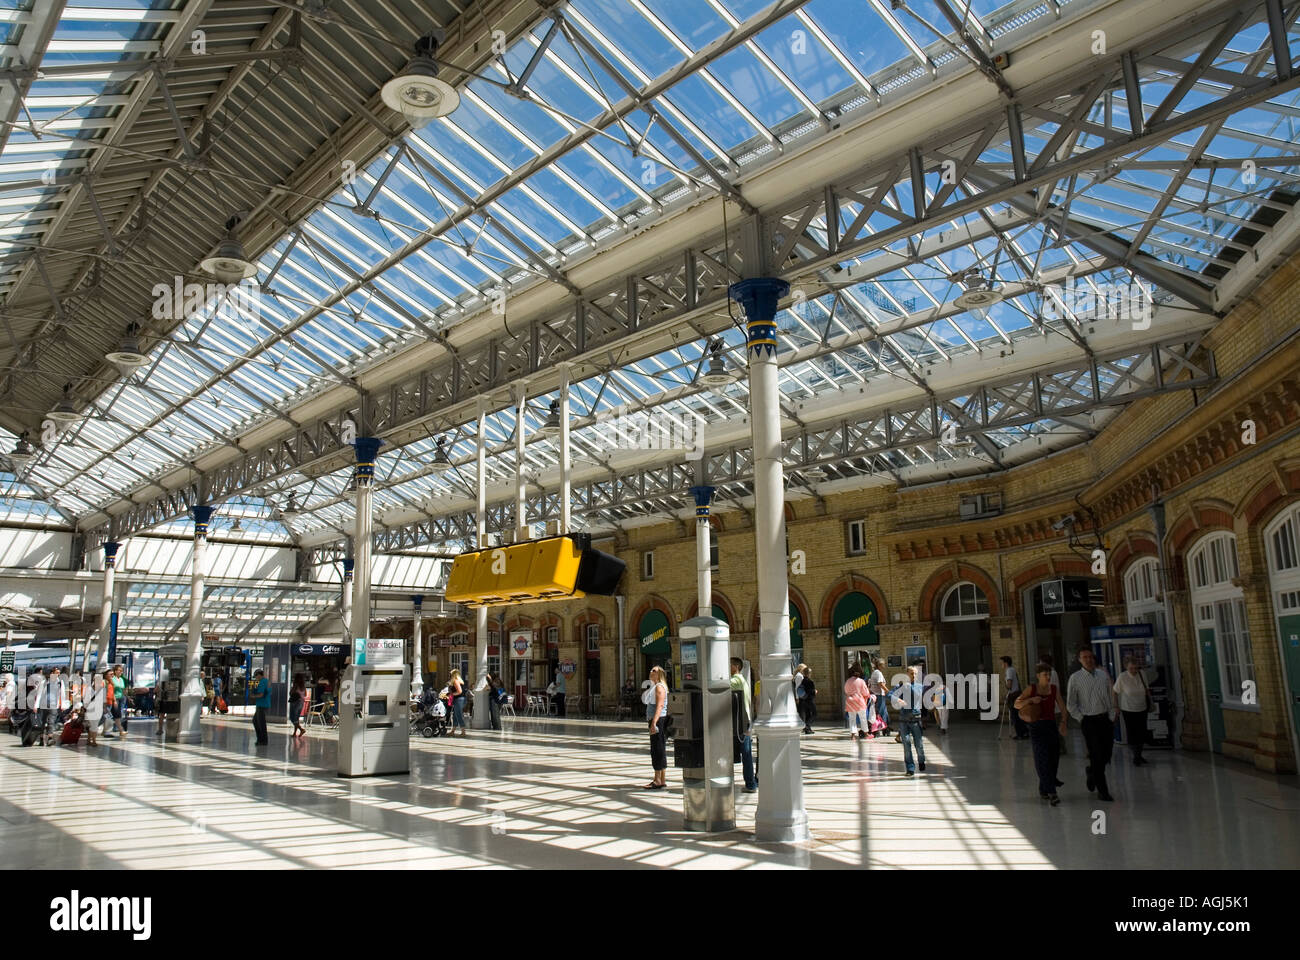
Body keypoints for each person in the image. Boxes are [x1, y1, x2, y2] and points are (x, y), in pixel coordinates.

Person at [1066, 646, 1118, 802]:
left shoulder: (1103, 675)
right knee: (1096, 754)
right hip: (1089, 720)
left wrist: (1112, 713)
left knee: (1107, 753)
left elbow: (1111, 695)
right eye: (1084, 657)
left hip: (1105, 719)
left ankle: (1092, 772)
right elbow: (1071, 703)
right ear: (1079, 660)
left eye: (1090, 657)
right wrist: (1081, 718)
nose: (1088, 660)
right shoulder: (1075, 678)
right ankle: (1103, 791)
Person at [1016, 663, 1067, 805]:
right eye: (1045, 674)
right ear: (1038, 676)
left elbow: (1062, 707)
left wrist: (1063, 722)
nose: (1048, 677)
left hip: (1050, 725)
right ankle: (1052, 792)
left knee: (1053, 757)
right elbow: (1017, 704)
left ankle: (1043, 788)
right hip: (1036, 726)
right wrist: (1031, 700)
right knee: (1041, 757)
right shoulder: (1031, 689)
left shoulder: (1054, 689)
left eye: (1049, 674)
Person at [1114, 656, 1152, 766]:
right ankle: (1136, 755)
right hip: (1128, 710)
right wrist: (1116, 706)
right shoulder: (1122, 677)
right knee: (1132, 733)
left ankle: (1138, 754)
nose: (1134, 671)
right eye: (1131, 668)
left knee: (1142, 732)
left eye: (1136, 668)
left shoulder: (1142, 674)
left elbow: (1147, 689)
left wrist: (1151, 701)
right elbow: (1114, 691)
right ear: (1126, 667)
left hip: (1142, 708)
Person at [890, 666, 927, 776]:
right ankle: (910, 768)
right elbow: (890, 694)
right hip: (903, 719)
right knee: (906, 744)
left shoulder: (919, 686)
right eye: (911, 673)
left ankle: (921, 760)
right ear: (907, 674)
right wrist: (898, 699)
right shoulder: (901, 686)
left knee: (918, 744)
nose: (913, 676)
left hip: (915, 719)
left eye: (915, 673)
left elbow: (916, 696)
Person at [729, 657, 756, 792]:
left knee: (745, 754)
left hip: (740, 723)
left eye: (729, 665)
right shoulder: (743, 680)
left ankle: (750, 784)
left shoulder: (736, 680)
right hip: (745, 721)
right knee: (746, 754)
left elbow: (718, 687)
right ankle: (750, 783)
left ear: (735, 667)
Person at [644, 666, 670, 789]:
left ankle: (658, 779)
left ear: (659, 674)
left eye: (653, 671)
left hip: (658, 720)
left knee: (657, 749)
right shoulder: (656, 686)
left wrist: (654, 722)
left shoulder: (659, 687)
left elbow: (659, 706)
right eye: (651, 670)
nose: (651, 672)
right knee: (660, 748)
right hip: (658, 720)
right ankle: (661, 778)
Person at [1002, 656, 1028, 740]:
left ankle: (1020, 733)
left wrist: (1005, 685)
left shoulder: (1009, 670)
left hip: (1013, 695)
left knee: (1015, 715)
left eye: (1002, 663)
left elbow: (1009, 684)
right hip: (1017, 694)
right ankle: (1025, 732)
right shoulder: (1012, 669)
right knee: (1018, 714)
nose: (1001, 665)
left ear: (1005, 663)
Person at [843, 664, 871, 740]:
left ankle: (853, 735)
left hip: (850, 701)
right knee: (863, 718)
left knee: (852, 718)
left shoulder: (848, 681)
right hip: (859, 701)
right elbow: (865, 692)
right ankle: (866, 733)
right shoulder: (861, 681)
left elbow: (845, 690)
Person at [867, 658, 889, 737]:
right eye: (883, 664)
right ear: (879, 665)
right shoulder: (878, 673)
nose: (884, 666)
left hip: (877, 694)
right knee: (880, 712)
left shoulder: (875, 672)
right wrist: (887, 691)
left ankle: (885, 728)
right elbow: (880, 684)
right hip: (879, 695)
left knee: (883, 712)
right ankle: (880, 729)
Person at [83, 674, 105, 748]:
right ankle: (94, 741)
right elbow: (85, 700)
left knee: (92, 725)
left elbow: (103, 701)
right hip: (90, 710)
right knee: (94, 726)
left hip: (98, 710)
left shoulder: (101, 690)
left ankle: (89, 739)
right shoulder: (89, 689)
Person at [250, 669, 270, 745]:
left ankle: (262, 740)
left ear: (259, 675)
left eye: (256, 676)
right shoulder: (267, 681)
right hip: (265, 704)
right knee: (256, 721)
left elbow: (261, 694)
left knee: (261, 723)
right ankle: (261, 739)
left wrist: (253, 696)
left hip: (261, 705)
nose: (255, 678)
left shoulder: (262, 682)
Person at [796, 663, 817, 735]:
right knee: (815, 714)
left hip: (804, 700)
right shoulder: (810, 681)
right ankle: (807, 725)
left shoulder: (803, 680)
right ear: (809, 674)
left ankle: (808, 730)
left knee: (808, 714)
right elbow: (811, 692)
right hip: (809, 700)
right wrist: (815, 691)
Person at [448, 669, 467, 736]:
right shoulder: (459, 681)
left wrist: (451, 695)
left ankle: (463, 732)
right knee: (455, 716)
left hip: (459, 700)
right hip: (460, 699)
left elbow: (459, 691)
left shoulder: (456, 681)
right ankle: (453, 731)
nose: (449, 676)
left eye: (450, 674)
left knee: (458, 715)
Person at [110, 665, 127, 735]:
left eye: (121, 670)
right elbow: (112, 689)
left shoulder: (121, 679)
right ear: (115, 671)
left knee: (119, 714)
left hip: (121, 698)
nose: (121, 672)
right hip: (115, 698)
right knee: (117, 714)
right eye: (119, 670)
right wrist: (114, 699)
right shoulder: (112, 678)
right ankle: (120, 730)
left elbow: (122, 688)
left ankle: (119, 729)